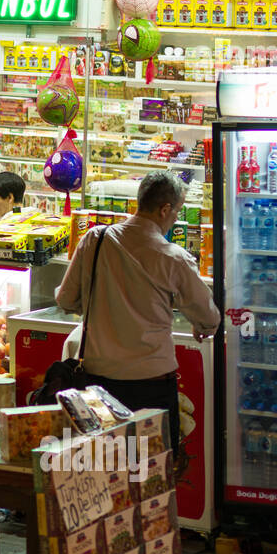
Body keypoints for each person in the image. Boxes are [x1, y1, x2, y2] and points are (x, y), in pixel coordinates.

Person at [54, 170, 219, 468]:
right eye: (177, 211)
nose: (175, 218)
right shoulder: (173, 257)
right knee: (152, 470)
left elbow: (65, 300)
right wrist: (202, 325)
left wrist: (97, 303)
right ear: (165, 210)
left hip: (97, 382)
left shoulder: (95, 239)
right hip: (151, 386)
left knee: (105, 468)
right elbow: (208, 317)